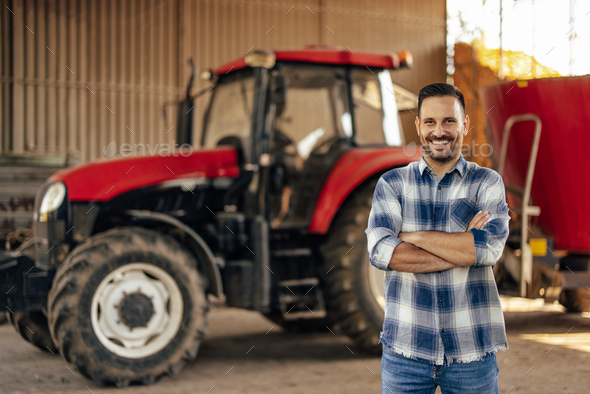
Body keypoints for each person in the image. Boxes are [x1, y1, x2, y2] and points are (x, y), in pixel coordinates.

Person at [366, 83, 510, 394]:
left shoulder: (487, 183)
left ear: (465, 124)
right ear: (418, 126)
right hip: (406, 353)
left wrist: (412, 237)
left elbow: (488, 250)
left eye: (449, 121)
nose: (439, 131)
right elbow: (383, 253)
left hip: (471, 351)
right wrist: (462, 245)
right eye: (430, 122)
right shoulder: (391, 184)